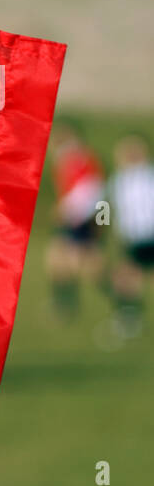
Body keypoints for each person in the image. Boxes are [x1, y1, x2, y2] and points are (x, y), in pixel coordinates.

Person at [45, 122, 105, 319]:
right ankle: (64, 305)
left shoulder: (77, 157)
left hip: (82, 217)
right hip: (80, 216)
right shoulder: (66, 157)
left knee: (84, 265)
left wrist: (66, 209)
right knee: (57, 258)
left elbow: (90, 189)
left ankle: (122, 299)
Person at [107, 134, 154, 339]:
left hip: (148, 234)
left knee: (125, 277)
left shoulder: (147, 176)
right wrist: (104, 225)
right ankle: (129, 317)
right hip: (132, 238)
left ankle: (128, 318)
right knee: (124, 278)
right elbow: (106, 206)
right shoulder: (118, 179)